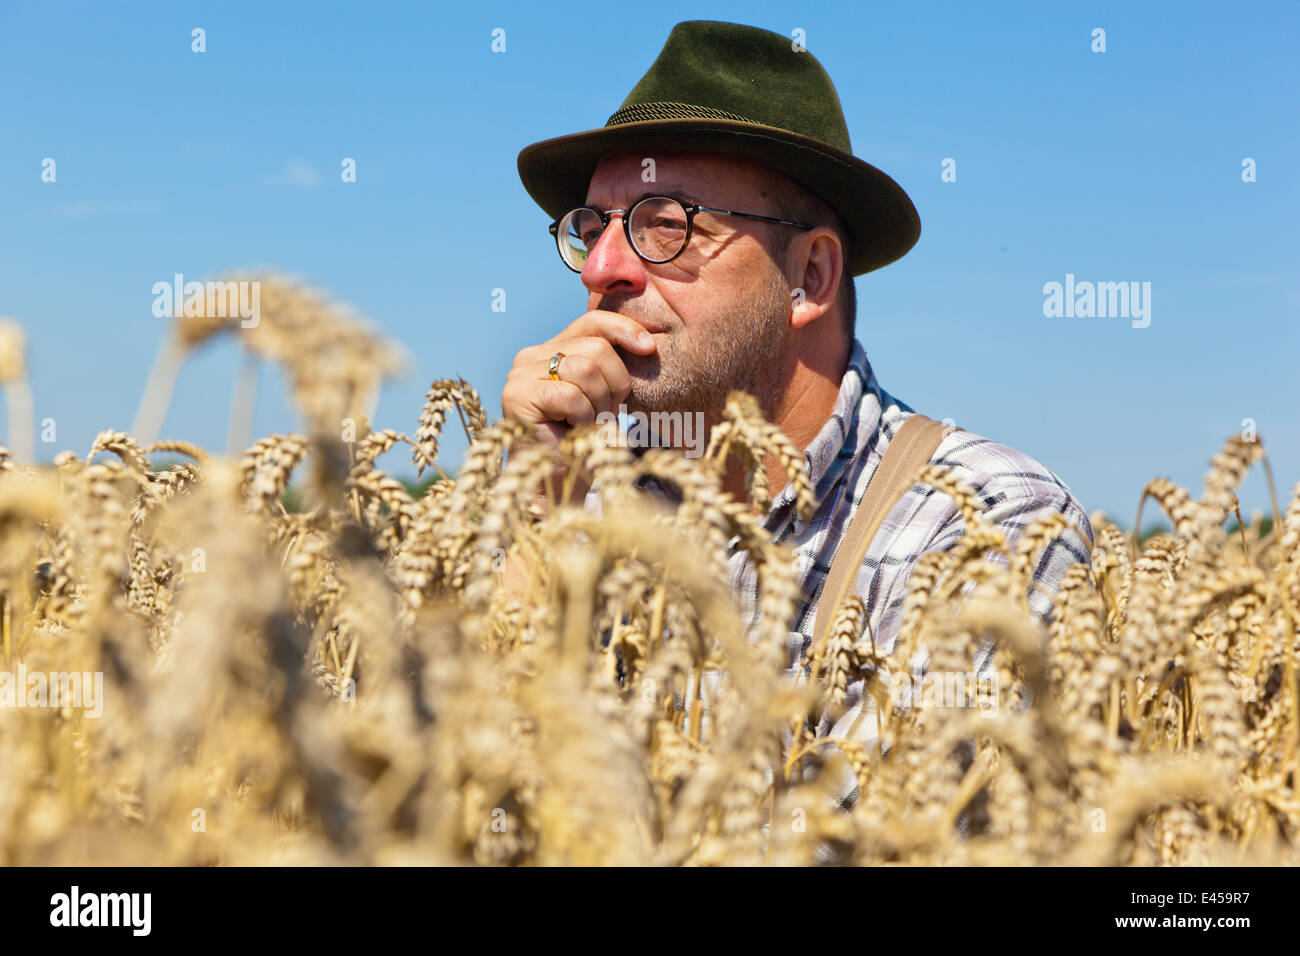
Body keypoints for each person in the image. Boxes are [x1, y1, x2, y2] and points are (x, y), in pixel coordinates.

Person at [504, 20, 1093, 705]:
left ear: (809, 277)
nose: (601, 268)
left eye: (665, 223)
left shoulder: (984, 520)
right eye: (591, 228)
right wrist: (535, 518)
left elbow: (902, 810)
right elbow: (441, 793)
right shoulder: (576, 498)